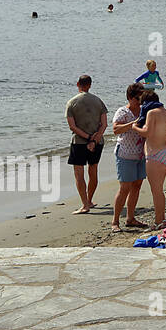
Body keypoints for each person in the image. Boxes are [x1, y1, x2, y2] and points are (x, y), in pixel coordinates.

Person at [66, 74, 108, 214]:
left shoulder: (71, 102)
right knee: (93, 170)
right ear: (90, 85)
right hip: (97, 142)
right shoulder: (98, 101)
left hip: (79, 142)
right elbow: (104, 124)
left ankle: (85, 204)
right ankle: (89, 200)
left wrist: (88, 137)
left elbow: (72, 127)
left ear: (78, 84)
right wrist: (94, 140)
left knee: (79, 174)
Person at [133, 90, 166, 228]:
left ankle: (158, 221)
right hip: (165, 153)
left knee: (156, 191)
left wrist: (135, 127)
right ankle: (161, 219)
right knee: (159, 190)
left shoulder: (151, 113)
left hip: (154, 156)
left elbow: (147, 132)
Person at [110, 83, 148, 231]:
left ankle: (130, 218)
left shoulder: (144, 110)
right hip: (125, 153)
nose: (141, 101)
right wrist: (133, 123)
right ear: (131, 98)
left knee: (137, 186)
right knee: (124, 188)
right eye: (139, 98)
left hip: (140, 153)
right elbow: (115, 129)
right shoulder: (122, 111)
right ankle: (115, 222)